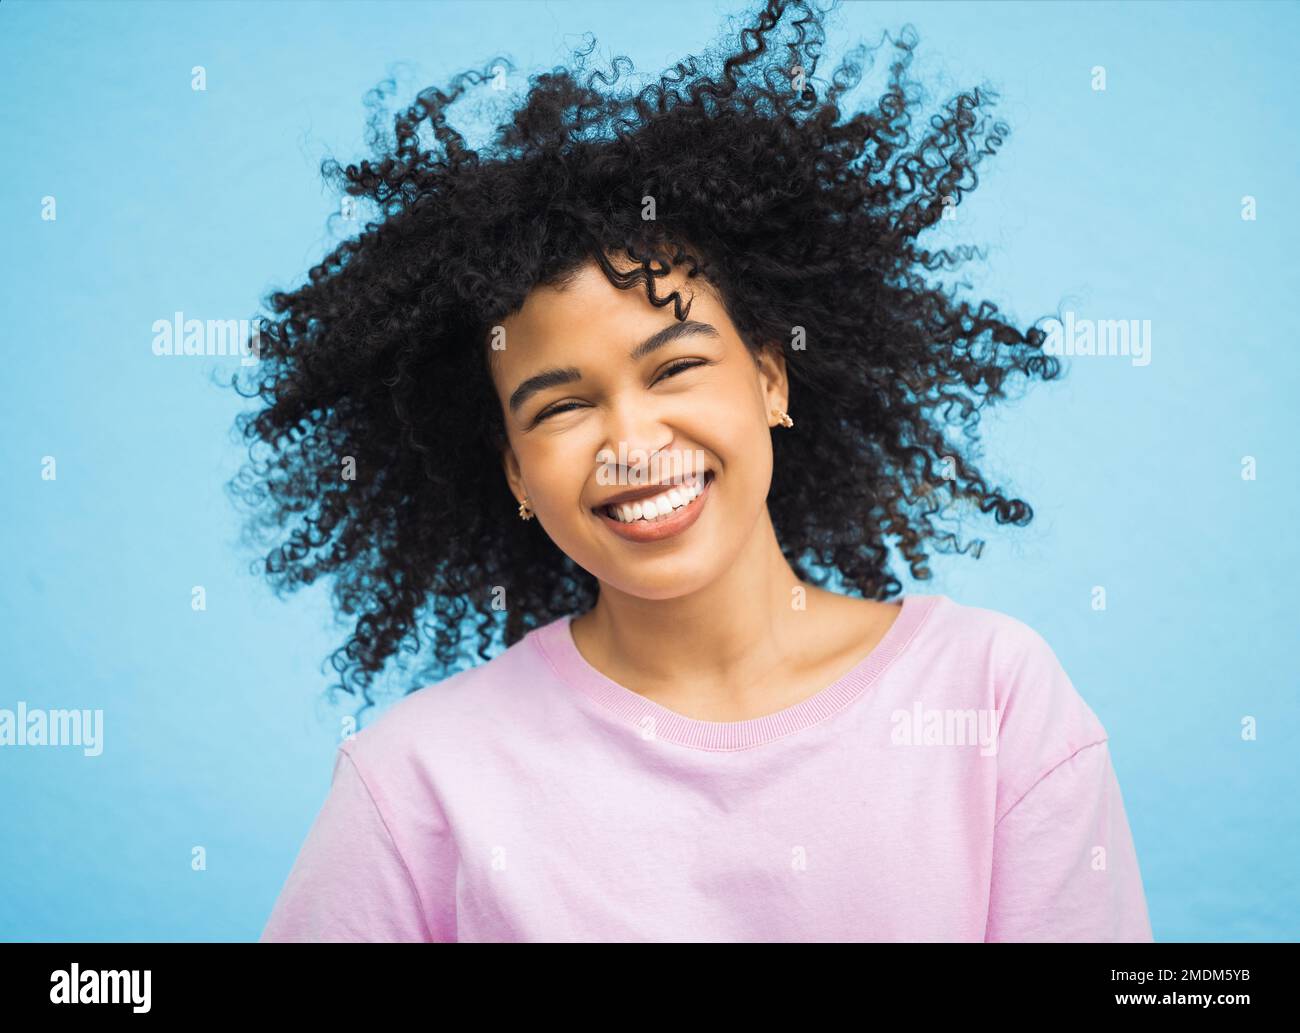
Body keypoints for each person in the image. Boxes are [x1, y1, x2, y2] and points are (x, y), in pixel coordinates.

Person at [242, 0, 1153, 942]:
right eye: (559, 406)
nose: (631, 440)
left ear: (769, 376)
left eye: (675, 366)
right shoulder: (416, 783)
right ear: (514, 471)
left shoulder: (990, 699)